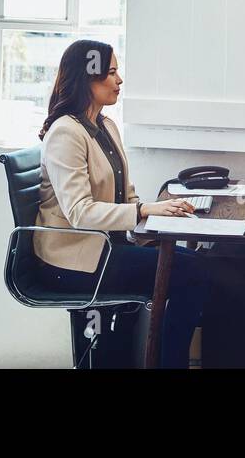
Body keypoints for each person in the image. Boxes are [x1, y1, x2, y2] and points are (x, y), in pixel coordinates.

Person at [34, 39, 209, 368]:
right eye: (111, 72)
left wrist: (158, 219)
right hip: (72, 261)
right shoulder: (65, 134)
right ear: (89, 79)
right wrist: (143, 211)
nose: (120, 80)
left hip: (105, 248)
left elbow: (123, 194)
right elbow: (80, 212)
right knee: (192, 271)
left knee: (194, 262)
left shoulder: (106, 126)